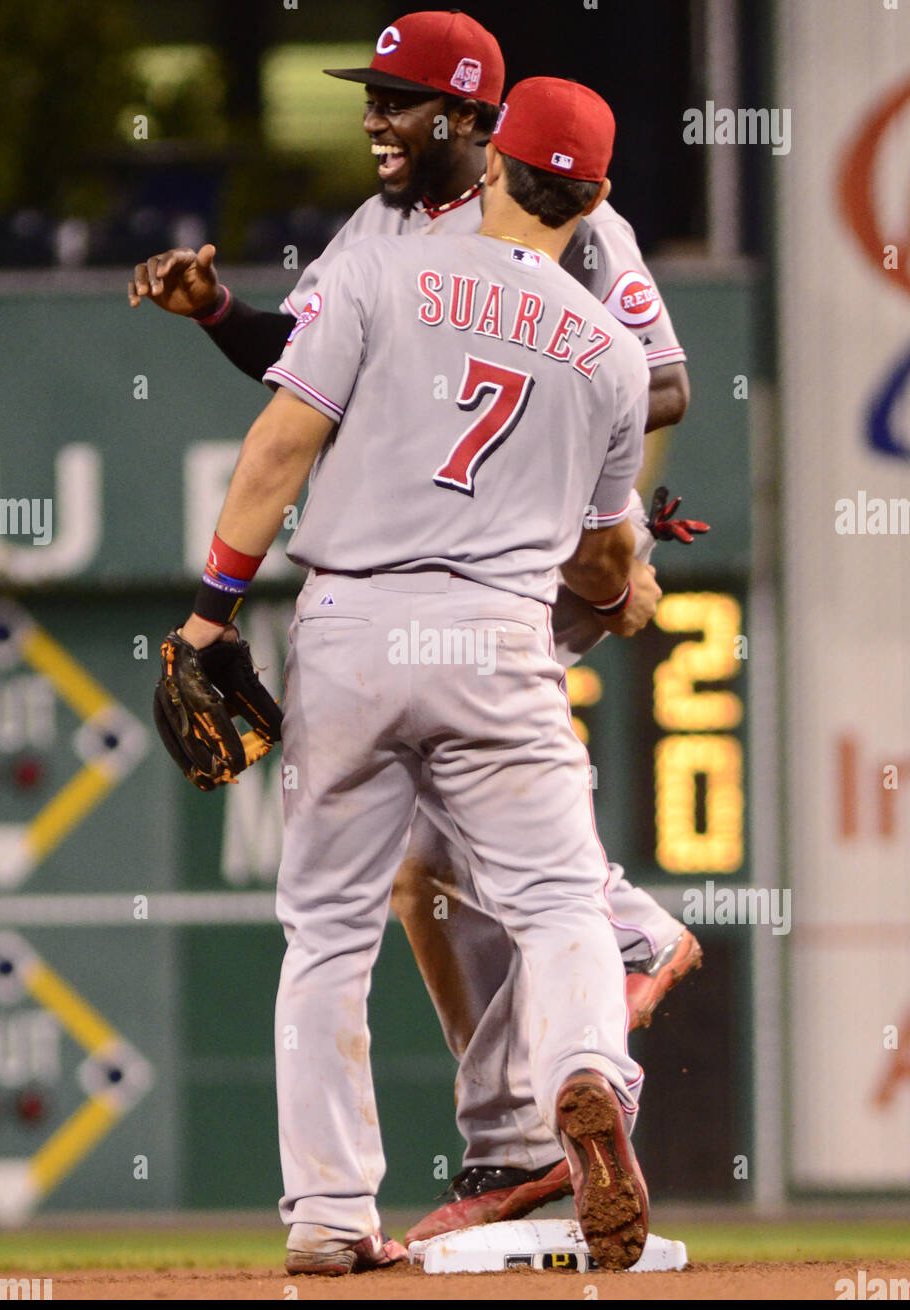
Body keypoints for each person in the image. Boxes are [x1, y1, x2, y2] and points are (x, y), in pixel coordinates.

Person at [128, 9, 701, 1238]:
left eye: (399, 98)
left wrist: (210, 609)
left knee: (331, 926)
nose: (375, 116)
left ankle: (331, 1213)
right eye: (372, 94)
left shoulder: (453, 259)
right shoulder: (432, 255)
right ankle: (561, 1070)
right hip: (497, 606)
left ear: (486, 142)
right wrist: (225, 311)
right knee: (454, 878)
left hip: (366, 610)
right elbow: (619, 402)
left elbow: (294, 423)